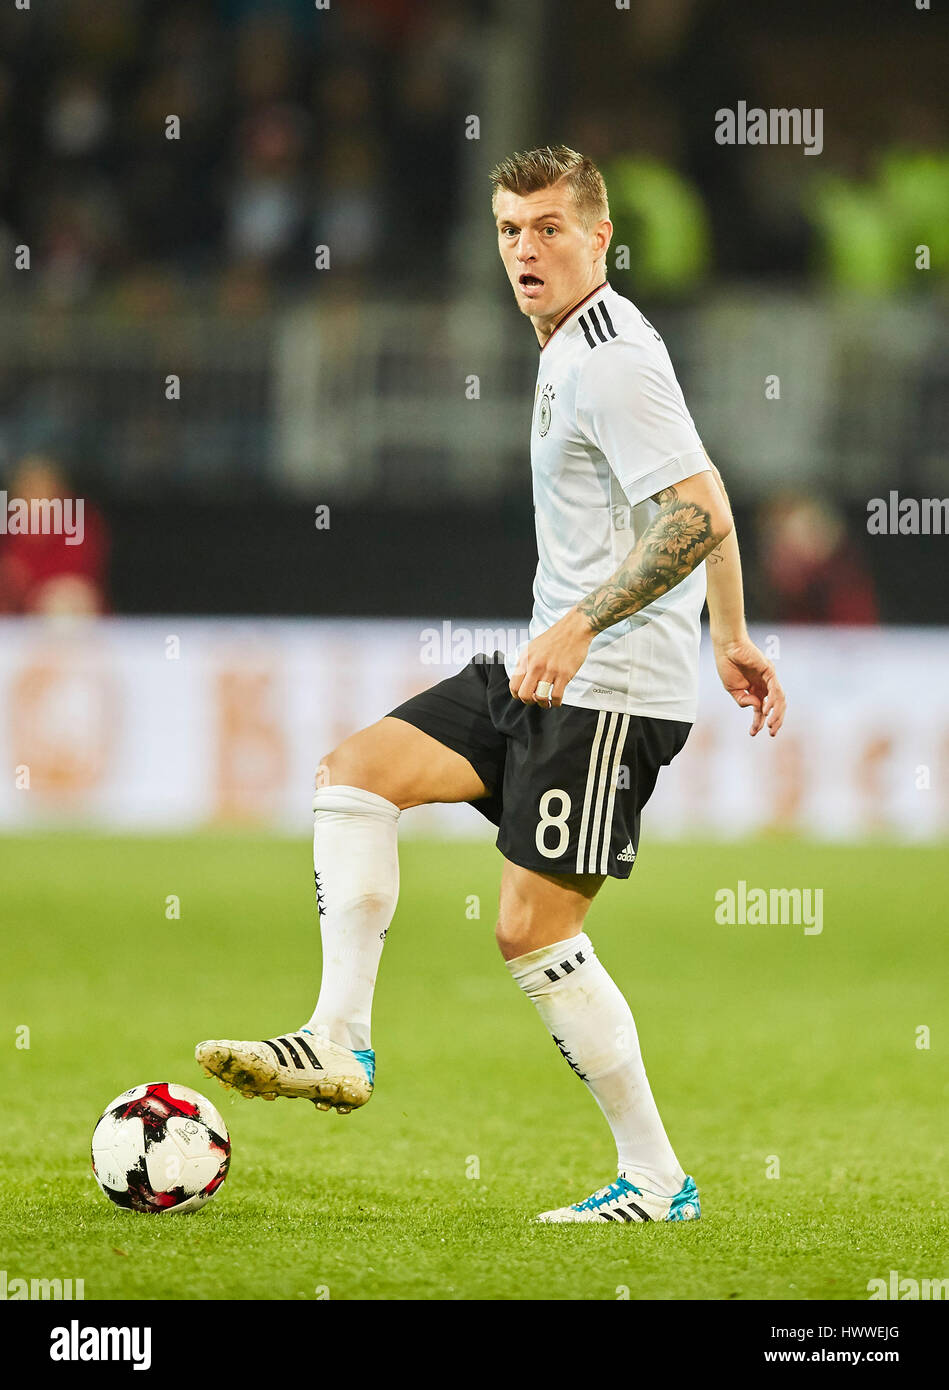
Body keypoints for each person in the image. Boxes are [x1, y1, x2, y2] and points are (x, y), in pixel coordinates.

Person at [196, 145, 786, 1224]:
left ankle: (656, 1180)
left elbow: (694, 512)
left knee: (531, 929)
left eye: (550, 228)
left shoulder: (610, 354)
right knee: (356, 775)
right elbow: (707, 491)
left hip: (611, 686)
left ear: (599, 238)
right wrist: (734, 632)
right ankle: (336, 1037)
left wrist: (585, 620)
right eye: (511, 230)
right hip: (547, 667)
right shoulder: (572, 345)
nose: (526, 249)